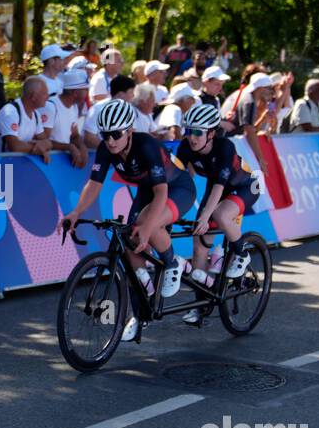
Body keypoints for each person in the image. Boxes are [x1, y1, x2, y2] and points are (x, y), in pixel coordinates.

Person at [61, 99, 196, 342]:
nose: (110, 140)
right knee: (128, 237)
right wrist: (76, 213)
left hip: (176, 188)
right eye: (105, 135)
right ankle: (142, 307)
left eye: (116, 134)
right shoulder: (106, 148)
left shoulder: (147, 146)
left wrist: (146, 228)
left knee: (146, 224)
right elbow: (94, 184)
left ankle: (171, 262)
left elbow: (161, 193)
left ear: (130, 131)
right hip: (148, 188)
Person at [170, 103, 263, 324]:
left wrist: (203, 218)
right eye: (188, 131)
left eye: (197, 132)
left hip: (246, 186)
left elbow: (220, 189)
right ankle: (201, 305)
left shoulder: (225, 147)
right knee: (199, 244)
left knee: (220, 216)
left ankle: (241, 253)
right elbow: (180, 178)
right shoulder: (185, 147)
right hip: (217, 188)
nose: (191, 137)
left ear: (211, 133)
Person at [0, 75, 53, 161]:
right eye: (45, 93)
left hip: (10, 165)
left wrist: (44, 144)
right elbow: (14, 146)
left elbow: (47, 141)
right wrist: (38, 147)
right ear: (33, 96)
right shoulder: (10, 111)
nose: (48, 97)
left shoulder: (36, 115)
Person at [47, 67, 90, 167]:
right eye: (85, 89)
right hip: (45, 164)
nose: (87, 94)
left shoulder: (74, 107)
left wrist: (81, 146)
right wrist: (69, 147)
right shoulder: (51, 106)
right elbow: (42, 140)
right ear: (74, 93)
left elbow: (74, 135)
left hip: (61, 164)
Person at [287, 78, 319, 144]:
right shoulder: (302, 104)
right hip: (299, 143)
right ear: (310, 91)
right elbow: (308, 128)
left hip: (314, 143)